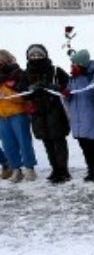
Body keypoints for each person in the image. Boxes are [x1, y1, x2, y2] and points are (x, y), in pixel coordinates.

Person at [24, 44, 71, 184]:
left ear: (45, 55)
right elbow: (22, 93)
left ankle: (63, 170)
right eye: (33, 55)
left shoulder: (56, 70)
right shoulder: (26, 73)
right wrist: (31, 90)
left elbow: (68, 86)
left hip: (55, 111)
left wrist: (54, 87)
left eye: (39, 55)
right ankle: (55, 168)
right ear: (28, 57)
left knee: (58, 141)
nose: (36, 57)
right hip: (38, 113)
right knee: (47, 141)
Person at [65, 49, 94, 181]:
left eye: (75, 64)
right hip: (78, 119)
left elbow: (89, 94)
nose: (73, 66)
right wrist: (66, 94)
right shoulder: (72, 79)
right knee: (85, 146)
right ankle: (91, 169)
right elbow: (68, 99)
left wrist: (83, 77)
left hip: (92, 117)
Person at [0, 50, 37, 182]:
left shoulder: (18, 74)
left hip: (18, 114)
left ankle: (30, 169)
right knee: (8, 145)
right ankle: (16, 170)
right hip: (2, 117)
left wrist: (8, 95)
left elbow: (25, 95)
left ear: (7, 60)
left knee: (24, 142)